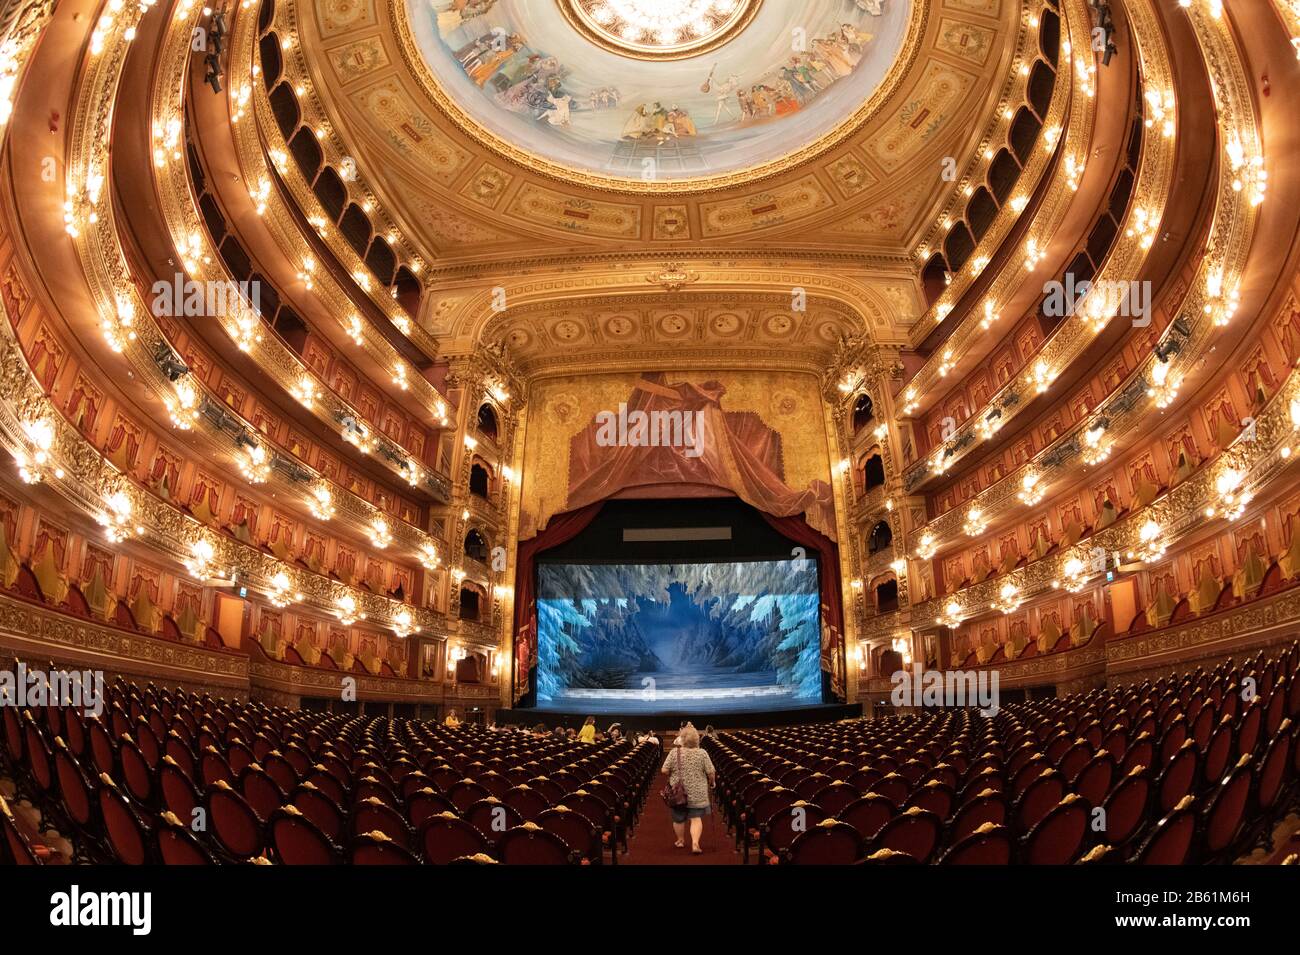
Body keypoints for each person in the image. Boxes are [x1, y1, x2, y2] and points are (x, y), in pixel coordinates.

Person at [661, 724, 715, 854]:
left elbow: (664, 770)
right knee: (696, 819)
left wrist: (673, 775)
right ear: (697, 739)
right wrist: (712, 783)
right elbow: (711, 772)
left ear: (682, 739)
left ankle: (680, 840)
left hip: (678, 793)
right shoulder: (702, 753)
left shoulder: (675, 752)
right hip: (698, 793)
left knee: (678, 818)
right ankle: (695, 843)